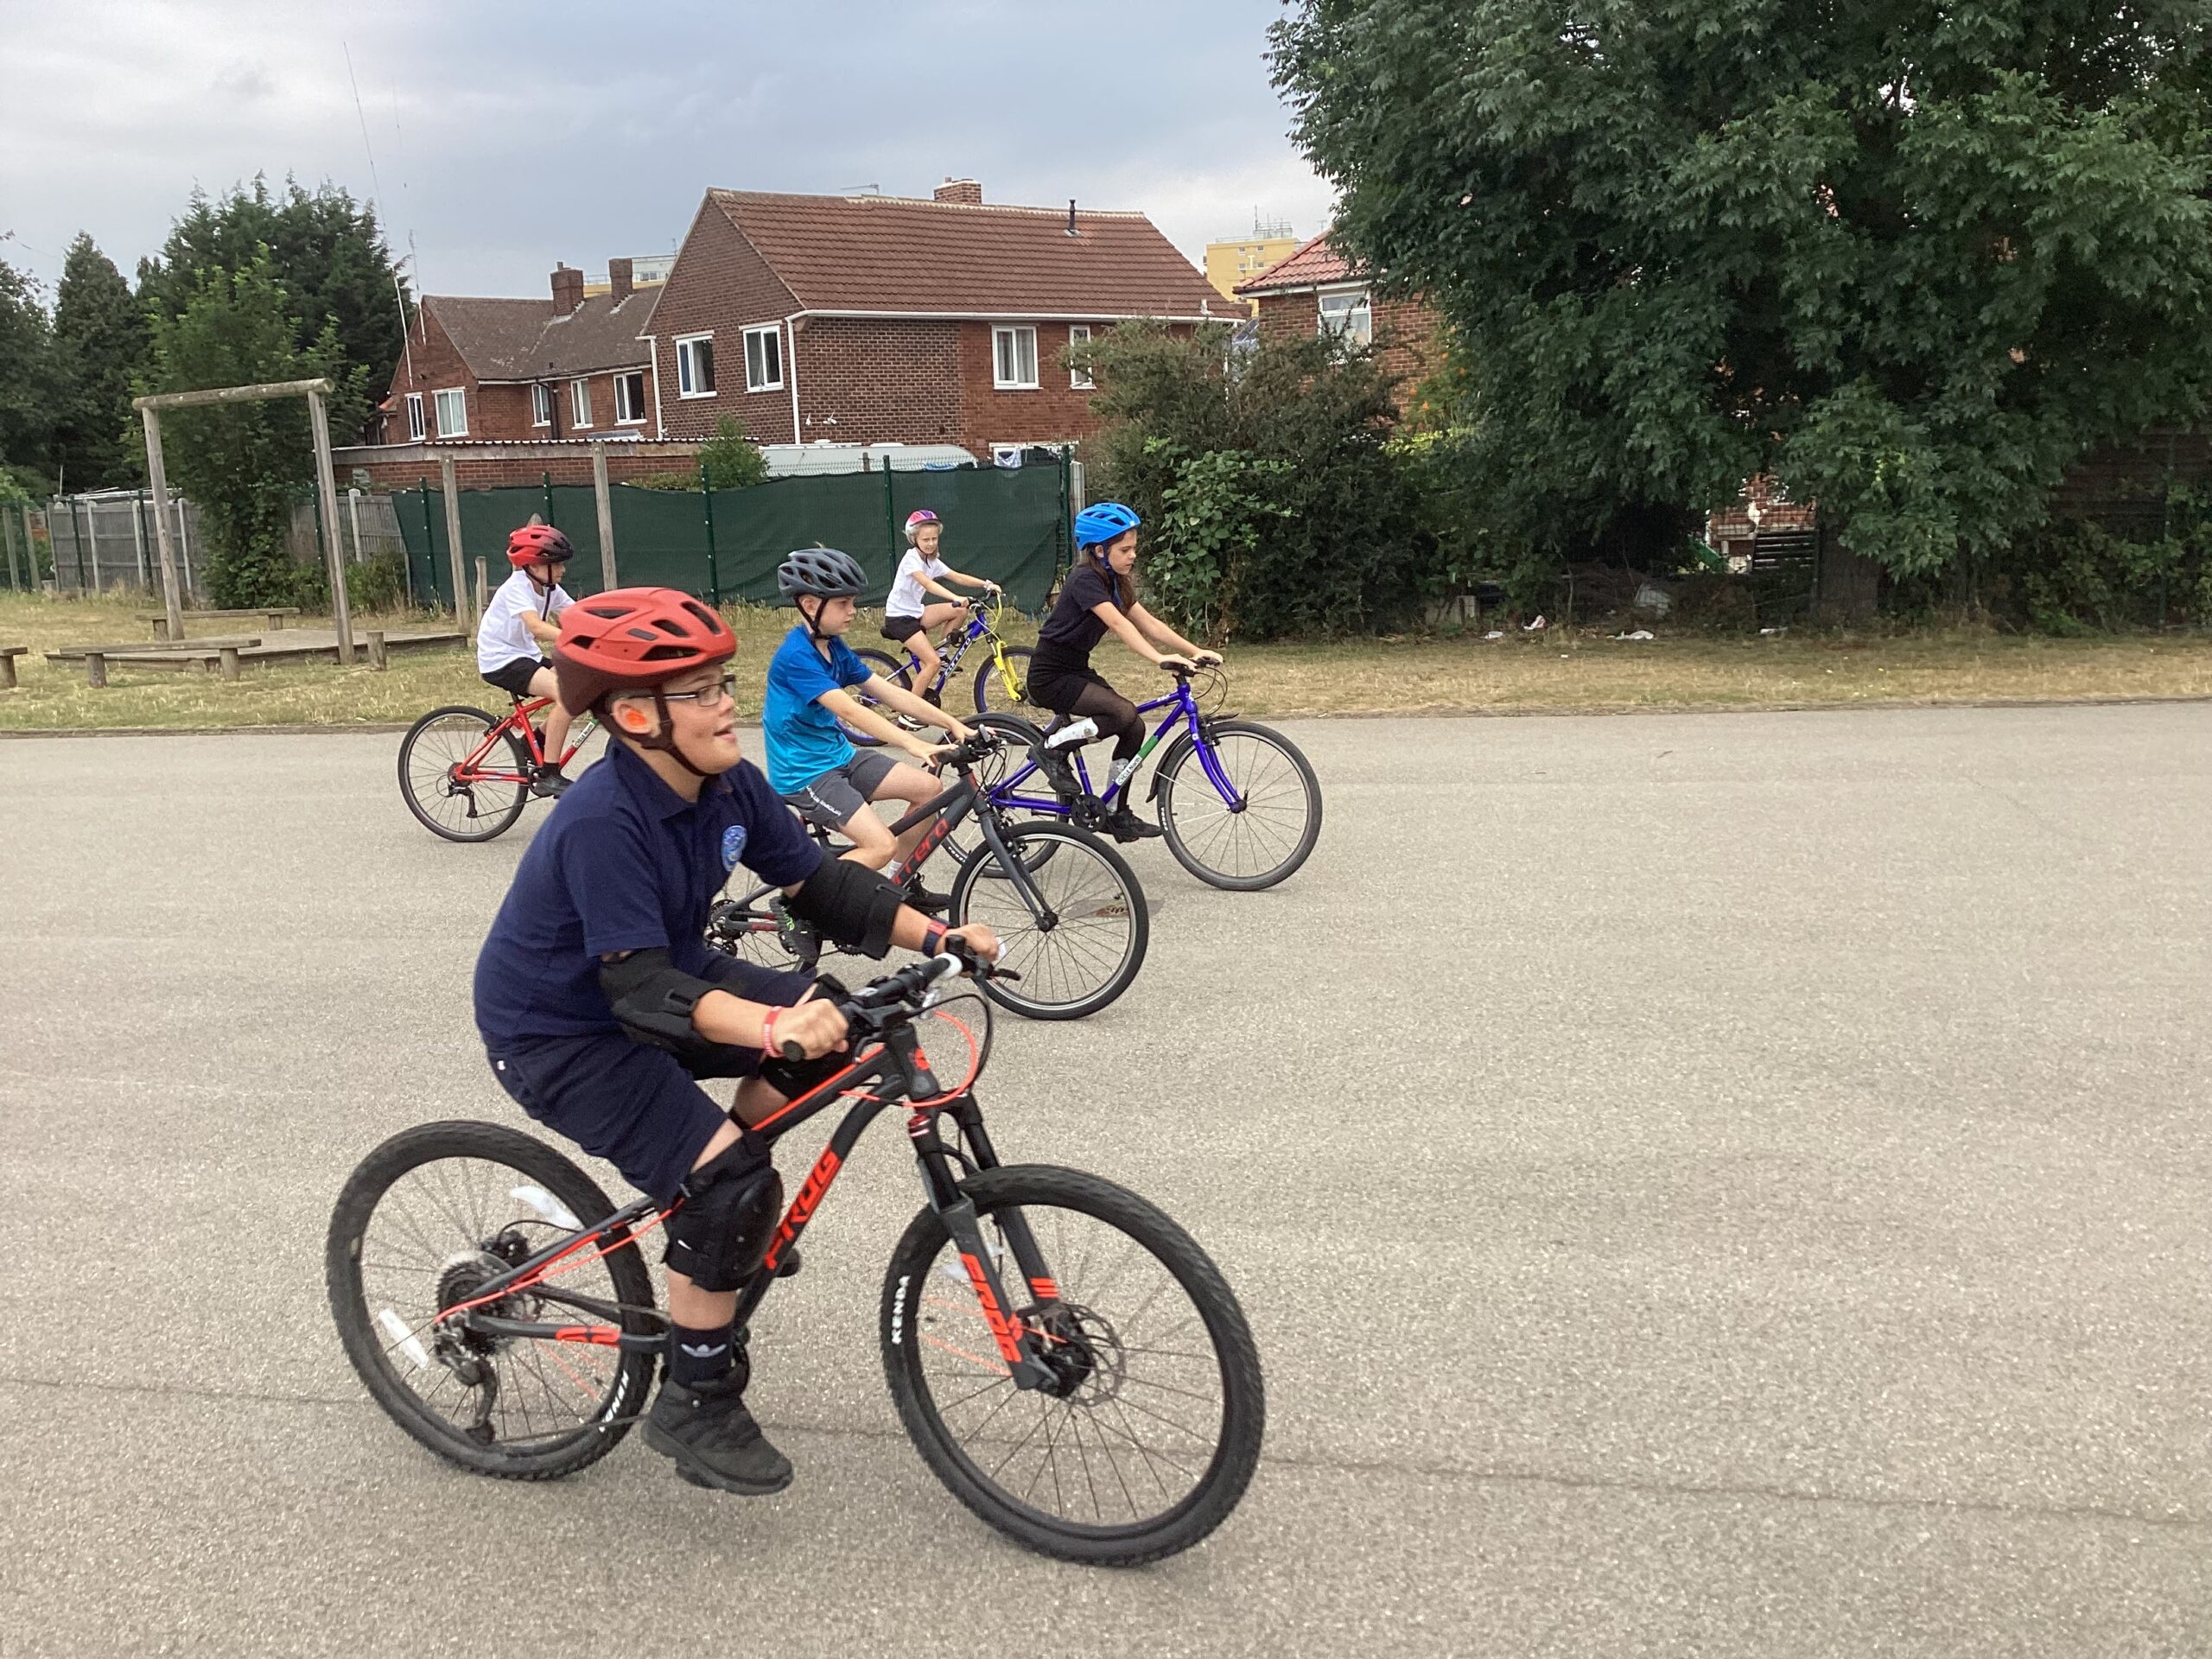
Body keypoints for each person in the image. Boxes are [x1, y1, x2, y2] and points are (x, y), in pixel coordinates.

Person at [473, 586, 998, 1498]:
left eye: (724, 682)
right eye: (703, 690)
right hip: (561, 1029)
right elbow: (635, 986)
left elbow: (819, 885)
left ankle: (712, 1209)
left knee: (835, 1039)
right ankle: (697, 1392)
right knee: (730, 1183)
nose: (727, 703)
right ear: (636, 715)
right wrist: (768, 1027)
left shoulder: (728, 783)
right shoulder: (604, 820)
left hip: (664, 977)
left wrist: (939, 936)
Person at [765, 547, 971, 912]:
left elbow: (889, 692)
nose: (853, 610)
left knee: (929, 789)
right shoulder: (796, 656)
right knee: (879, 845)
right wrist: (910, 742)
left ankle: (898, 883)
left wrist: (952, 723)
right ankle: (795, 902)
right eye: (843, 603)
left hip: (838, 756)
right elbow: (851, 711)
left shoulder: (834, 647)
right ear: (811, 606)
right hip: (805, 774)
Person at [1027, 501, 1220, 842]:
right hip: (1050, 675)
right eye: (1125, 549)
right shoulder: (1085, 579)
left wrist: (1194, 650)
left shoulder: (1116, 581)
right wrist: (1157, 659)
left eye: (1134, 548)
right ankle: (1051, 748)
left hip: (1076, 669)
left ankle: (1116, 813)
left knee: (1134, 725)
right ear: (1100, 550)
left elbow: (1149, 623)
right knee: (1120, 712)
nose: (1132, 555)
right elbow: (1117, 623)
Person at [478, 523, 578, 797]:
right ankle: (549, 774)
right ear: (534, 566)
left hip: (524, 655)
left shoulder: (550, 590)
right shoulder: (516, 589)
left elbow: (579, 615)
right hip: (500, 660)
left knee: (581, 686)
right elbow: (537, 628)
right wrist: (574, 639)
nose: (562, 569)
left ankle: (534, 743)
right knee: (567, 695)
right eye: (556, 563)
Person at [880, 509, 1000, 700]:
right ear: (914, 539)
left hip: (916, 613)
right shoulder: (911, 559)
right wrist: (955, 597)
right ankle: (910, 712)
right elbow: (927, 584)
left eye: (934, 539)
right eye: (926, 540)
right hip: (900, 619)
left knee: (960, 610)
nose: (931, 543)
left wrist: (986, 584)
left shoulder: (931, 561)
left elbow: (957, 576)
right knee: (931, 663)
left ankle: (943, 655)